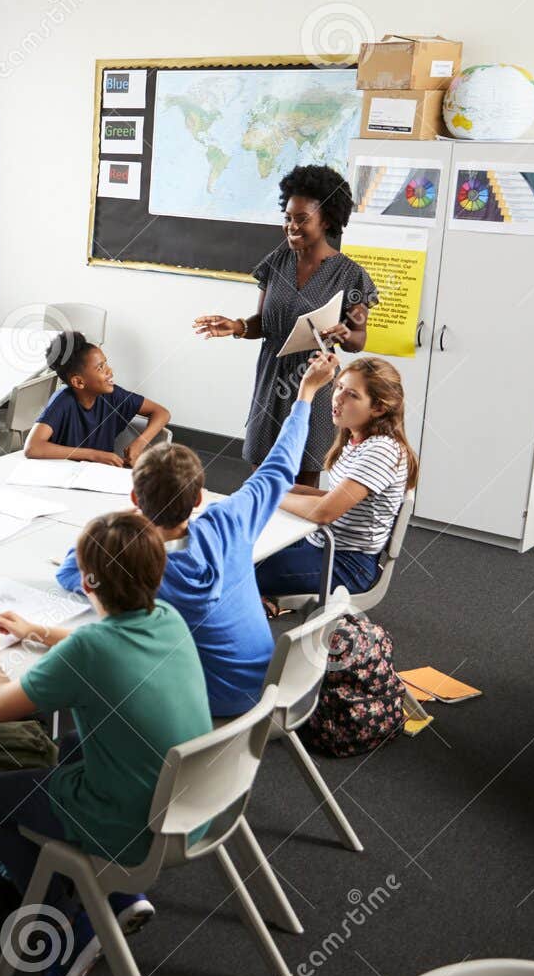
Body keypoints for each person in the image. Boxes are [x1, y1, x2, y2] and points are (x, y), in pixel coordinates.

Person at [0, 511, 212, 976]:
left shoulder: (92, 651)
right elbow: (97, 641)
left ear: (86, 579)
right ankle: (120, 896)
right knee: (75, 745)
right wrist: (37, 631)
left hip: (140, 832)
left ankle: (69, 924)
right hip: (196, 805)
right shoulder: (168, 618)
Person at [55, 351, 340, 716]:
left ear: (133, 498)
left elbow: (68, 574)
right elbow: (280, 466)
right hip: (269, 682)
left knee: (105, 663)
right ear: (199, 499)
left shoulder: (135, 564)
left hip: (209, 703)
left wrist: (110, 529)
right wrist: (305, 393)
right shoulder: (231, 520)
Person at [193, 164, 379, 484]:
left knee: (304, 477)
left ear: (328, 220)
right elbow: (263, 324)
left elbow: (358, 339)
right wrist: (236, 326)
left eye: (302, 219)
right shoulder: (277, 261)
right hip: (271, 375)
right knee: (261, 472)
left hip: (316, 379)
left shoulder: (350, 275)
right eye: (288, 218)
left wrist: (345, 332)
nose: (292, 227)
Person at [256, 357, 418, 598]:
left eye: (352, 394)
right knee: (243, 547)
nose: (337, 398)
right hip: (321, 541)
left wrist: (270, 495)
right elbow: (335, 498)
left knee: (239, 570)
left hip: (347, 563)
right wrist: (286, 489)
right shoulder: (356, 439)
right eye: (339, 387)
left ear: (379, 408)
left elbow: (325, 511)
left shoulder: (381, 450)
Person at [24, 331, 170, 467]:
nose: (110, 371)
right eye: (100, 368)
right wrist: (93, 455)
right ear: (79, 382)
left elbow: (162, 412)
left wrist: (139, 444)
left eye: (105, 363)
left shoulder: (113, 395)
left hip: (99, 477)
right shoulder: (63, 401)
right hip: (62, 475)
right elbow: (32, 447)